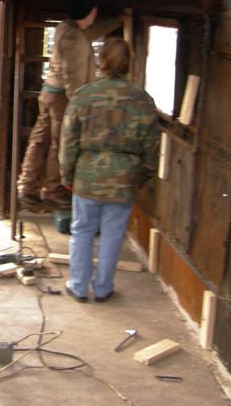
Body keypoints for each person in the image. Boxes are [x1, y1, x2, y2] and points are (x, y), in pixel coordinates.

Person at [59, 37, 159, 303]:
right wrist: (143, 177)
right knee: (113, 236)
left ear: (100, 62)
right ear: (129, 63)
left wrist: (67, 175)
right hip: (125, 178)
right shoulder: (143, 100)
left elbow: (68, 141)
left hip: (88, 176)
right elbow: (151, 146)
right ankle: (103, 289)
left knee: (82, 231)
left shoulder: (83, 96)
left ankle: (78, 287)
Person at [17, 0, 102, 208]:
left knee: (39, 141)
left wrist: (116, 21)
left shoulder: (65, 28)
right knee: (59, 145)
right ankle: (52, 190)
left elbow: (92, 32)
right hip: (62, 98)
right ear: (90, 12)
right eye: (94, 11)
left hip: (49, 93)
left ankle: (26, 186)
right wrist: (78, 108)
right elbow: (74, 78)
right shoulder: (75, 39)